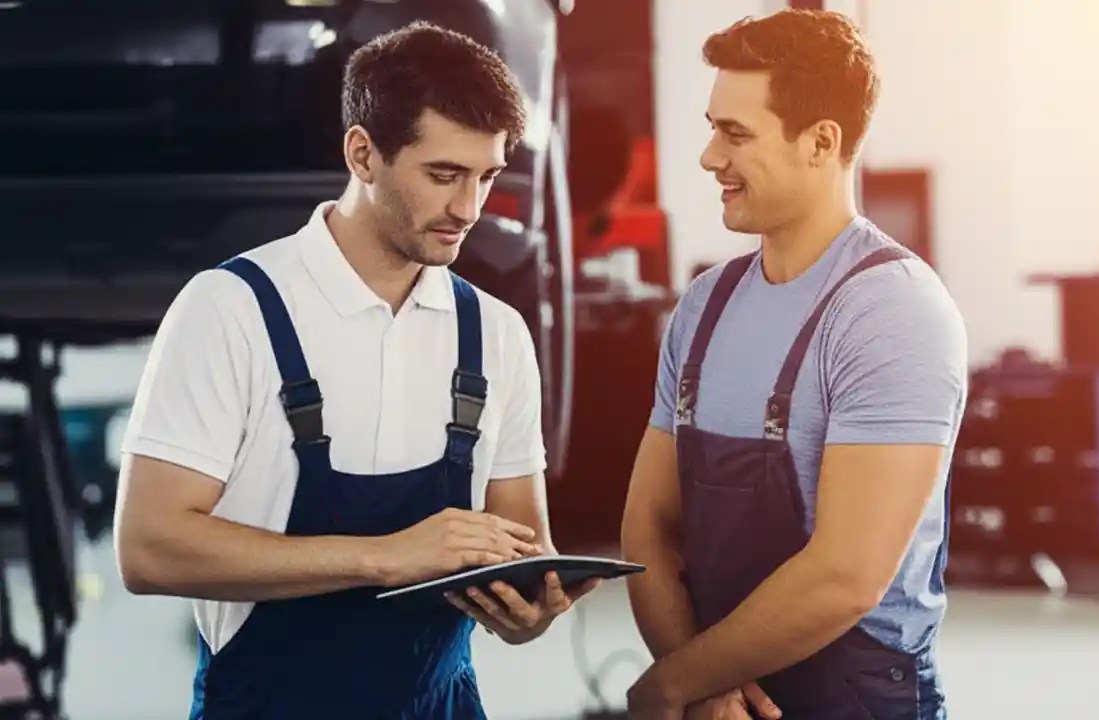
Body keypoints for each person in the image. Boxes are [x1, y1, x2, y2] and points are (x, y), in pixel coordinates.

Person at [113, 21, 597, 718]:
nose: (469, 209)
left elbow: (524, 544)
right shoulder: (231, 310)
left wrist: (528, 613)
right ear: (363, 154)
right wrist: (383, 556)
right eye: (443, 175)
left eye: (486, 177)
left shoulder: (494, 334)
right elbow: (150, 549)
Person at [620, 9, 967, 720]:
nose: (709, 157)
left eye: (736, 134)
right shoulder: (704, 307)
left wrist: (676, 684)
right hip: (718, 684)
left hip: (855, 698)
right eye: (712, 127)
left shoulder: (890, 312)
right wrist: (704, 682)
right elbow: (647, 526)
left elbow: (846, 576)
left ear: (821, 143)